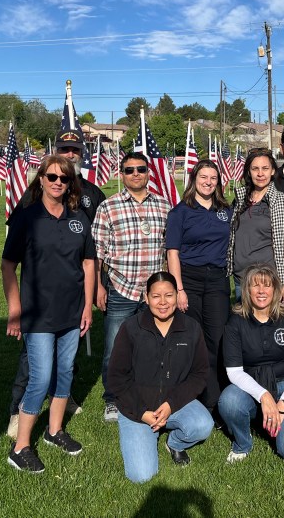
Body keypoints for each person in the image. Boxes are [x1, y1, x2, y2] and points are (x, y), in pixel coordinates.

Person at [7, 129, 105, 437]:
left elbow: (91, 254)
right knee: (34, 366)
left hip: (72, 302)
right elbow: (9, 258)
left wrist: (93, 293)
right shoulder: (30, 206)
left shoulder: (90, 195)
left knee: (65, 366)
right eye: (64, 149)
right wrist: (14, 308)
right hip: (38, 305)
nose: (58, 180)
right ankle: (18, 412)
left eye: (75, 150)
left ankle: (58, 414)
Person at [106, 271, 214, 483]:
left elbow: (200, 373)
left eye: (169, 295)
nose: (163, 302)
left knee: (202, 425)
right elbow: (117, 378)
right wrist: (141, 413)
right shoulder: (130, 328)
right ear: (146, 298)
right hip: (137, 406)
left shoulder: (191, 328)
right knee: (142, 476)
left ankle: (174, 442)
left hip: (174, 401)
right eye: (156, 296)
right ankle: (145, 431)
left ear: (177, 296)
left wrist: (171, 404)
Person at [92, 151, 172, 422]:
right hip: (120, 287)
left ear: (148, 172)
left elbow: (169, 250)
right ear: (121, 174)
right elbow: (97, 253)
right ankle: (112, 398)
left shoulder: (163, 205)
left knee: (152, 347)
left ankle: (146, 392)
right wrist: (98, 288)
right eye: (129, 170)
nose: (135, 174)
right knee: (115, 348)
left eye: (140, 169)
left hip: (154, 293)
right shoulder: (108, 207)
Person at [218, 264, 284, 464]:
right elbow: (234, 372)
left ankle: (276, 421)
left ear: (275, 290)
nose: (261, 291)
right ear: (247, 290)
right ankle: (243, 443)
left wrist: (283, 403)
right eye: (255, 286)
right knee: (229, 401)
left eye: (267, 286)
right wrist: (264, 396)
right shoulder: (235, 322)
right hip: (254, 385)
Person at [166, 159, 233, 413]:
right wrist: (179, 290)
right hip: (189, 280)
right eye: (203, 177)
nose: (208, 182)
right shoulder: (180, 212)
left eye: (213, 178)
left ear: (218, 182)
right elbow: (173, 253)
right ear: (193, 179)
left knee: (217, 340)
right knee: (193, 340)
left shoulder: (225, 210)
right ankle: (193, 396)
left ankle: (216, 400)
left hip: (217, 280)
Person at [226, 148, 284, 302]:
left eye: (265, 168)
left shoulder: (283, 201)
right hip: (240, 278)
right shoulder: (239, 199)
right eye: (255, 169)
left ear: (272, 171)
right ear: (249, 172)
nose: (260, 174)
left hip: (267, 280)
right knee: (242, 325)